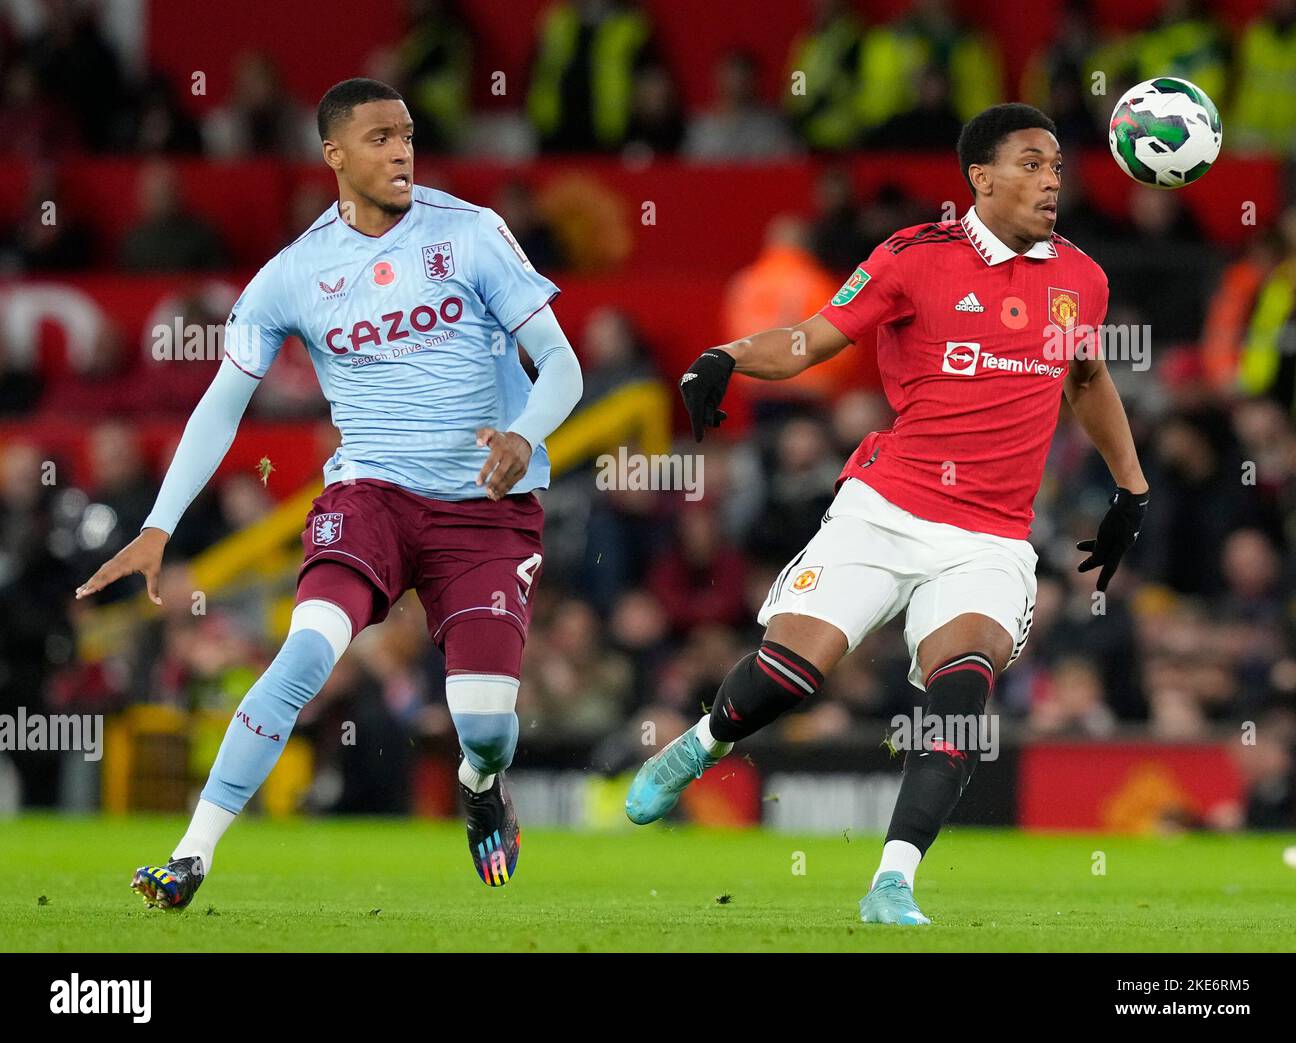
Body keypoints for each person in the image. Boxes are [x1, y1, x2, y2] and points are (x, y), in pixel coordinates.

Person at [625, 104, 1150, 926]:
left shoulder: (1080, 278)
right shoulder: (913, 258)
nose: (1054, 178)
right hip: (888, 506)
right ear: (980, 176)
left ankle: (892, 881)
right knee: (789, 675)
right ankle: (704, 743)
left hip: (990, 535)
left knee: (961, 691)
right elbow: (812, 339)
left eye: (1057, 165)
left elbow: (1085, 379)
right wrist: (728, 356)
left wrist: (1132, 487)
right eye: (1032, 162)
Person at [75, 78, 583, 907]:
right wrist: (159, 524)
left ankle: (478, 779)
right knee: (306, 650)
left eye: (408, 135)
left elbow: (563, 364)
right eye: (380, 138)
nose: (401, 152)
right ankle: (191, 854)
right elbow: (220, 405)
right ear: (333, 155)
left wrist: (525, 432)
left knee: (487, 725)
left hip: (485, 508)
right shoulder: (292, 275)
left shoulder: (472, 234)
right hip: (369, 495)